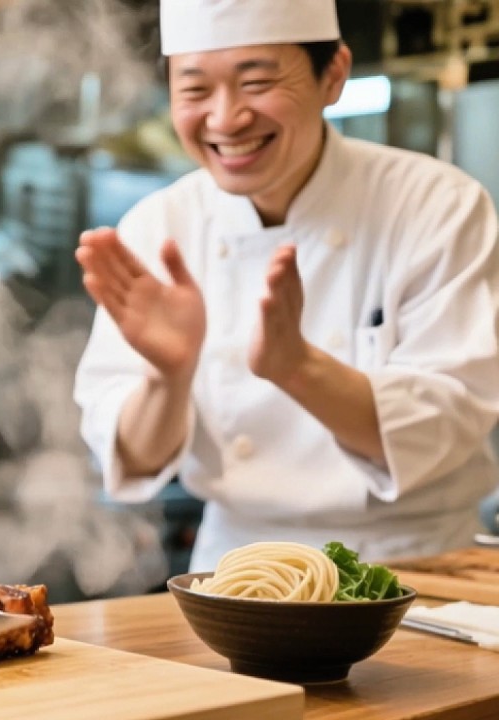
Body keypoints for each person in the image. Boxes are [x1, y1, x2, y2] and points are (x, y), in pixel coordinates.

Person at [73, 0, 499, 571]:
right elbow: (131, 459)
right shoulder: (159, 226)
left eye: (257, 81)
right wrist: (167, 377)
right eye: (195, 90)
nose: (225, 119)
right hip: (237, 572)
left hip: (417, 568)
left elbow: (447, 421)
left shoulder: (435, 204)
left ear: (334, 75)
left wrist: (297, 367)